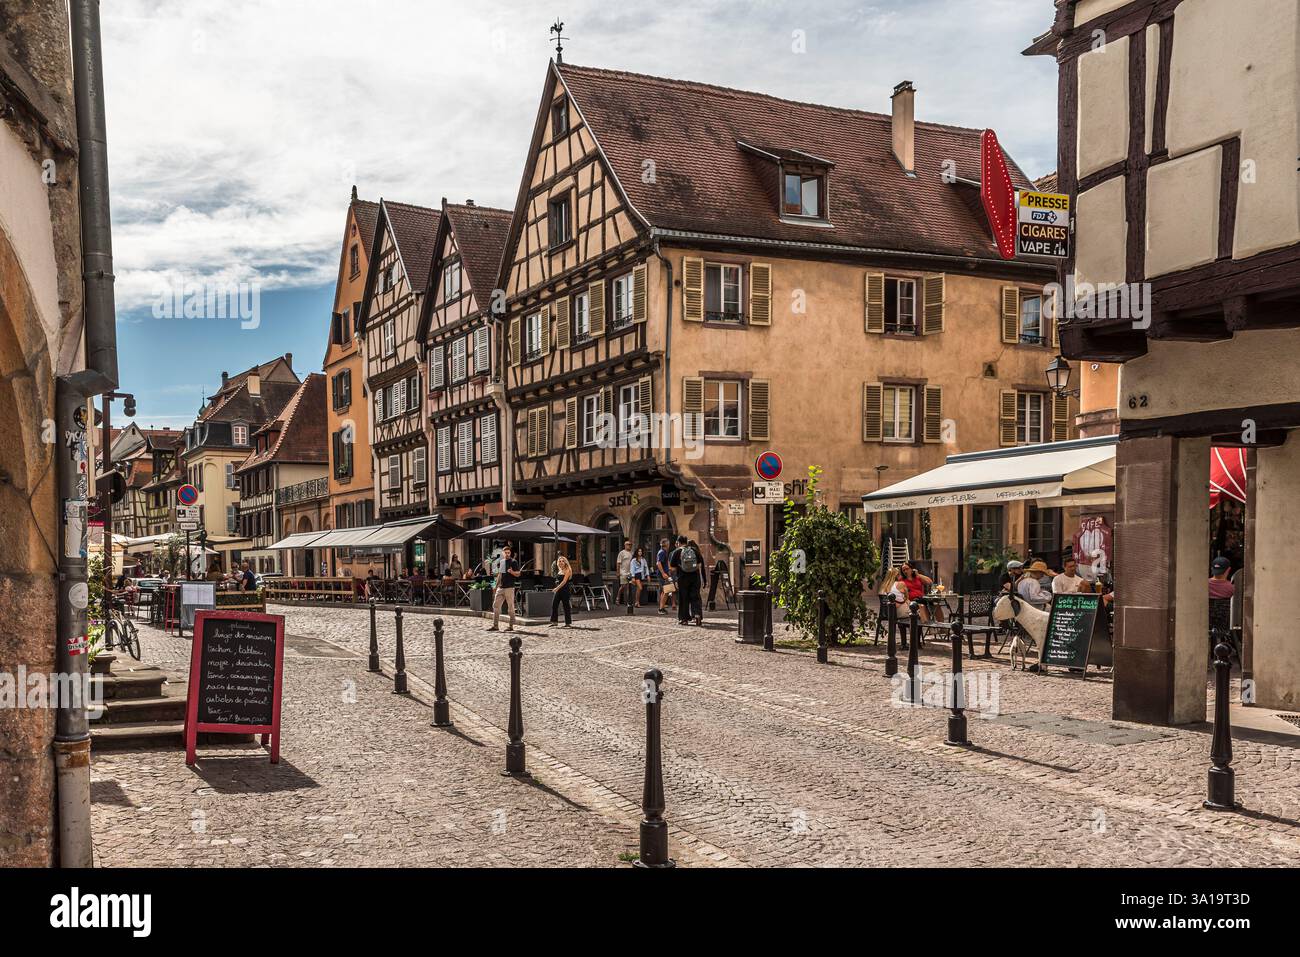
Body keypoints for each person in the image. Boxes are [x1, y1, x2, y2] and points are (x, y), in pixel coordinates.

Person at [489, 545, 521, 632]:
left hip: (509, 588)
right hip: (501, 587)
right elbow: (500, 575)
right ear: (503, 553)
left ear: (510, 553)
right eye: (505, 553)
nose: (507, 554)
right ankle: (495, 626)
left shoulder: (514, 562)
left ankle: (511, 626)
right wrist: (495, 586)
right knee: (496, 606)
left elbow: (518, 574)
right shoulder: (502, 562)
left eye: (508, 553)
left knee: (510, 608)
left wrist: (512, 572)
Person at [549, 554, 574, 628]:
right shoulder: (560, 570)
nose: (561, 562)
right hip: (559, 590)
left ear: (565, 562)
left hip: (565, 590)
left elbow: (564, 582)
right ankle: (554, 622)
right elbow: (558, 580)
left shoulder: (568, 570)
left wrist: (557, 588)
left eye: (563, 561)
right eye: (560, 561)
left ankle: (568, 623)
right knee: (554, 605)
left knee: (566, 606)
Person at [655, 537, 675, 615]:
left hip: (665, 574)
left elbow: (664, 563)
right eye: (668, 543)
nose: (669, 545)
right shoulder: (662, 552)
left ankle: (661, 607)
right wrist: (663, 573)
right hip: (663, 575)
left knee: (665, 591)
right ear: (666, 544)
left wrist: (669, 569)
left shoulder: (663, 552)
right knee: (666, 591)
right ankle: (661, 609)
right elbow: (658, 563)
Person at [615, 539, 634, 605]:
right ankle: (618, 598)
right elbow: (618, 563)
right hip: (623, 572)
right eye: (628, 544)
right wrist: (618, 572)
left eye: (630, 545)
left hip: (630, 572)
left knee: (629, 586)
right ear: (625, 545)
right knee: (623, 586)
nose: (630, 546)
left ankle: (628, 601)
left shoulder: (632, 553)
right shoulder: (622, 553)